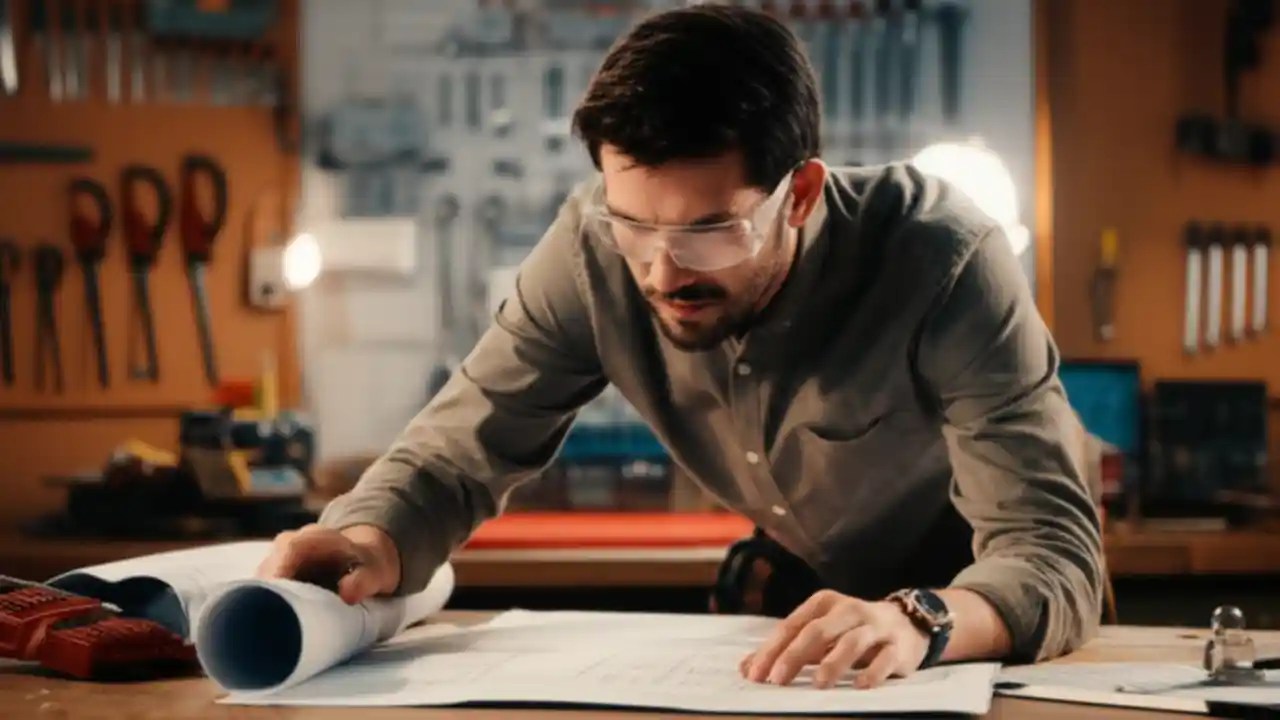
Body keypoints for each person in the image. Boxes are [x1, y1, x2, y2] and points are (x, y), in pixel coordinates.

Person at [259, 3, 1103, 689]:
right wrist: (371, 537)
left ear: (799, 194)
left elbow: (1052, 553)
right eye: (634, 224)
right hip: (806, 594)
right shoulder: (593, 250)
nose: (664, 270)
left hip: (966, 599)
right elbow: (454, 457)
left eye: (711, 231)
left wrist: (925, 617)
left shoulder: (943, 258)